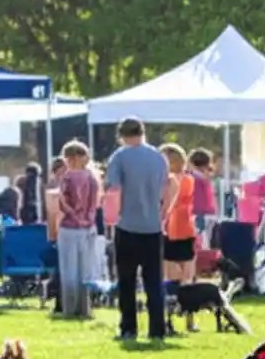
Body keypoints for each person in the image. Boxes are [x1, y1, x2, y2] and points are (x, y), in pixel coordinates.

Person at [105, 117, 169, 342]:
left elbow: (114, 190)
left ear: (121, 135)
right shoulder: (158, 157)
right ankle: (157, 328)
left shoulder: (119, 157)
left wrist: (111, 218)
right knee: (154, 281)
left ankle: (129, 328)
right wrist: (163, 213)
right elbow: (167, 187)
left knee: (127, 280)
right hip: (153, 227)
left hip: (128, 225)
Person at [56, 141, 100, 319]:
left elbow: (63, 203)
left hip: (69, 227)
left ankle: (70, 308)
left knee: (69, 270)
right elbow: (94, 204)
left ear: (70, 158)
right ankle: (85, 308)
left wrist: (75, 216)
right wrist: (87, 219)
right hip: (89, 227)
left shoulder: (66, 178)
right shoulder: (92, 177)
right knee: (86, 270)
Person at [160, 144, 196, 288]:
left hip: (174, 224)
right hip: (184, 224)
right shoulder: (188, 178)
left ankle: (176, 287)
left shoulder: (172, 180)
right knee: (184, 260)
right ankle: (184, 286)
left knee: (169, 261)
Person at [188, 148, 218, 245]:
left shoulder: (191, 178)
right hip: (209, 214)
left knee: (198, 243)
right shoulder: (207, 178)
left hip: (197, 214)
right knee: (206, 243)